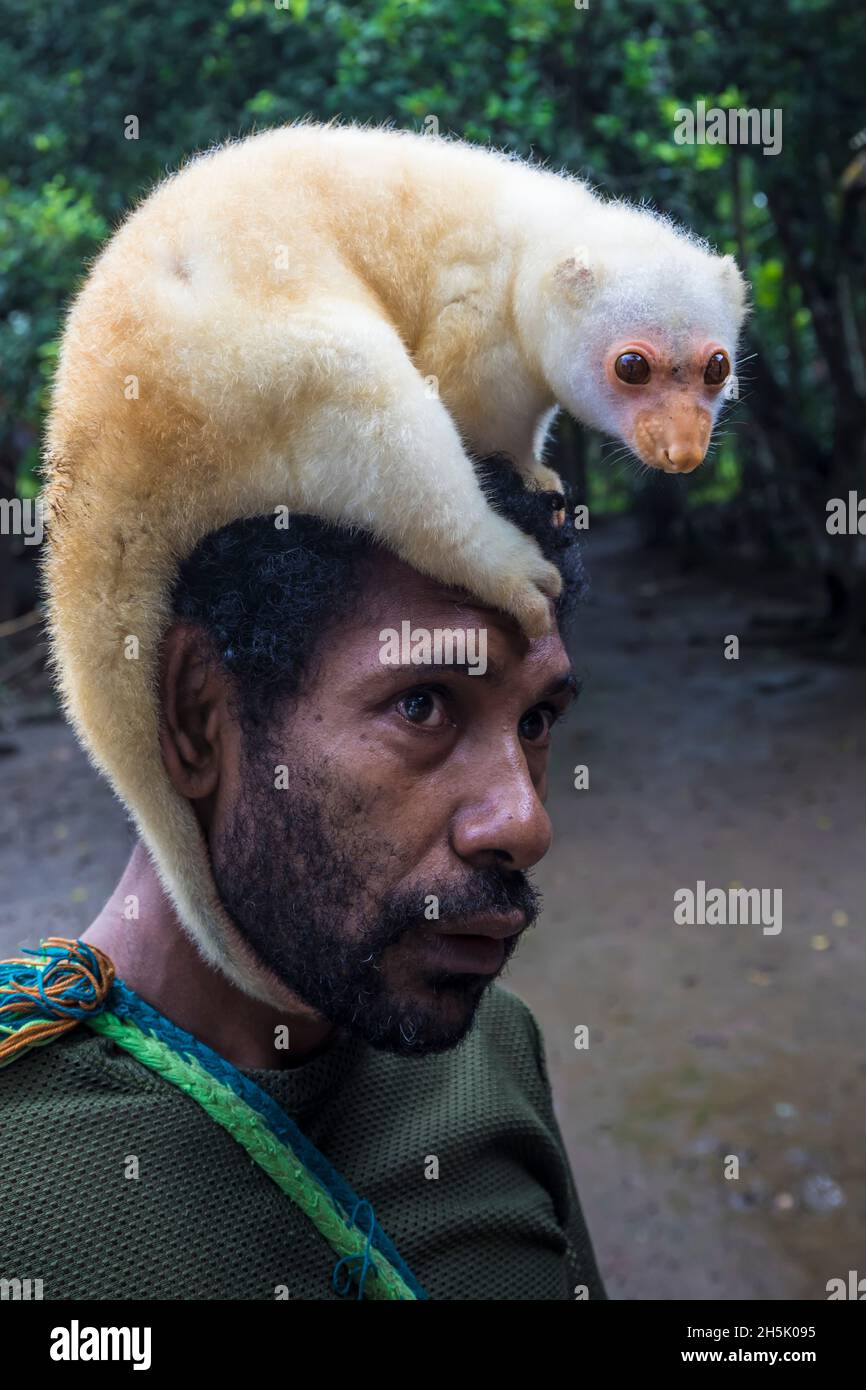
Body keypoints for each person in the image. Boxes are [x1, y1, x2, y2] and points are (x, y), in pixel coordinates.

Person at [0, 457, 606, 1301]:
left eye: (537, 720)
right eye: (423, 704)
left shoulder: (493, 1049)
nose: (525, 824)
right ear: (197, 716)